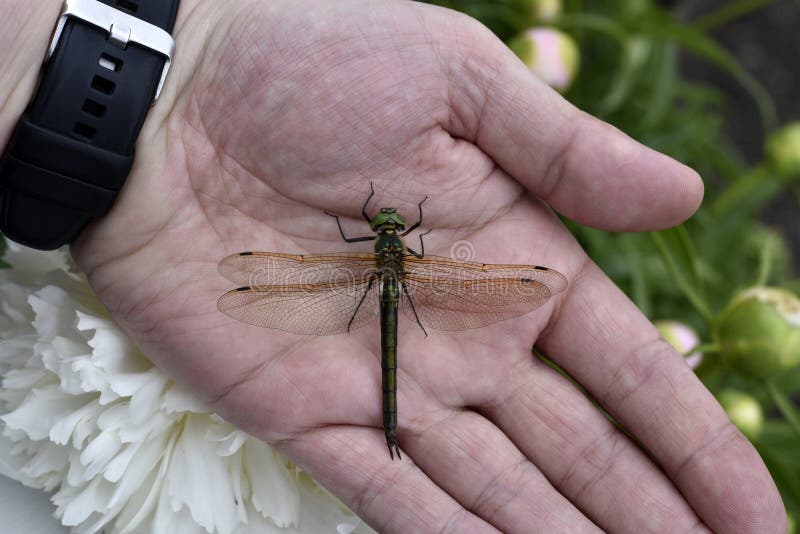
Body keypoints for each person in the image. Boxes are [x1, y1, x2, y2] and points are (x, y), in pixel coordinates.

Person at [2, 0, 786, 531]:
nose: (385, 225)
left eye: (387, 222)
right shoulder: (406, 252)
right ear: (395, 234)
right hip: (397, 296)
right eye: (385, 222)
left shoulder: (367, 248)